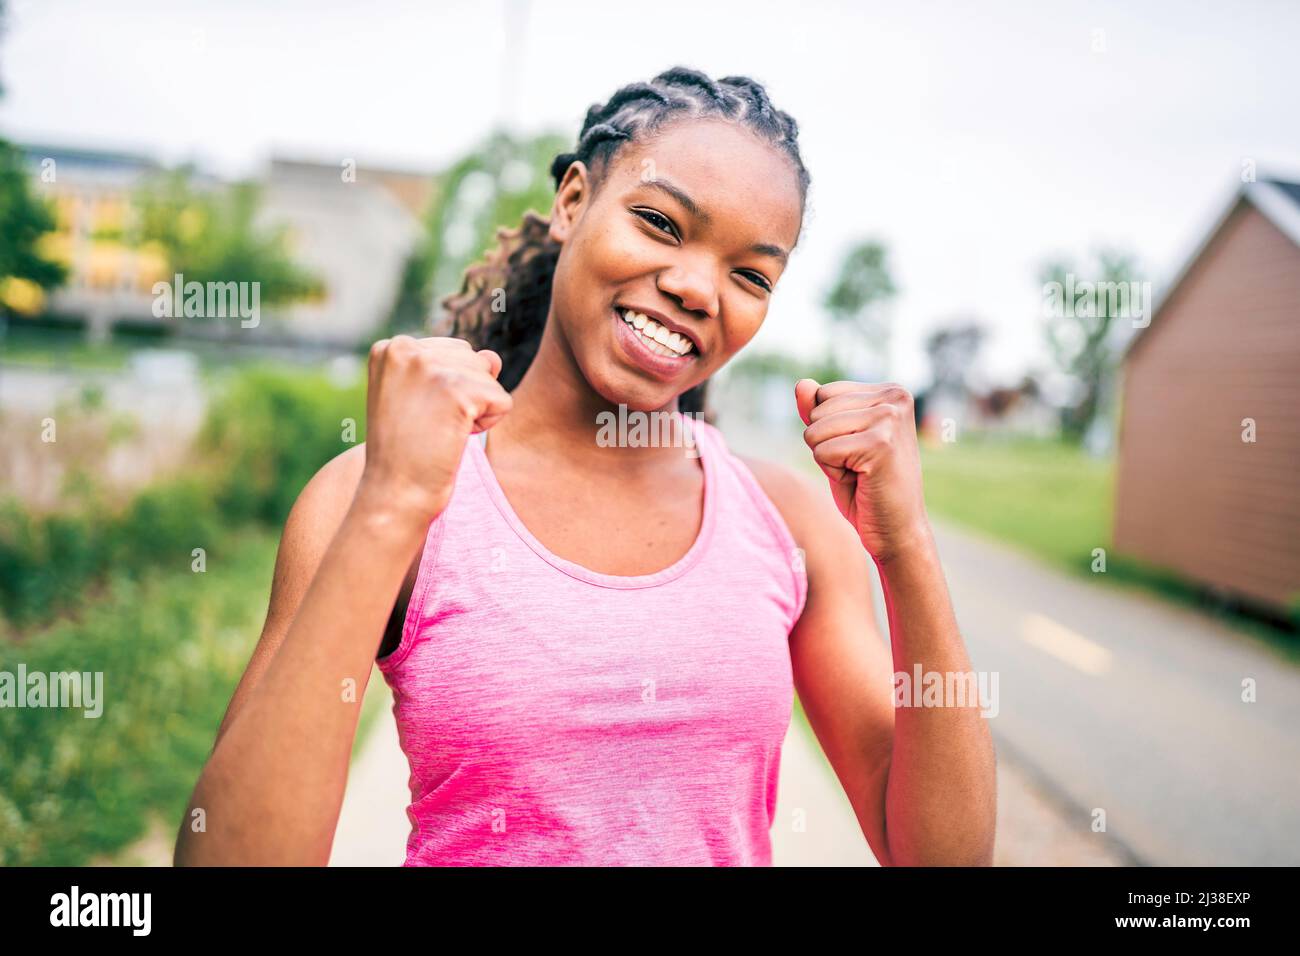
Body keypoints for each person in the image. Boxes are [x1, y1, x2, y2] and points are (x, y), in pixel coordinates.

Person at [174, 66, 996, 867]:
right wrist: (390, 506)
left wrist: (906, 547)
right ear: (573, 202)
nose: (696, 287)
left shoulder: (787, 522)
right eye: (661, 224)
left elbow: (939, 857)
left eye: (749, 274)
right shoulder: (380, 491)